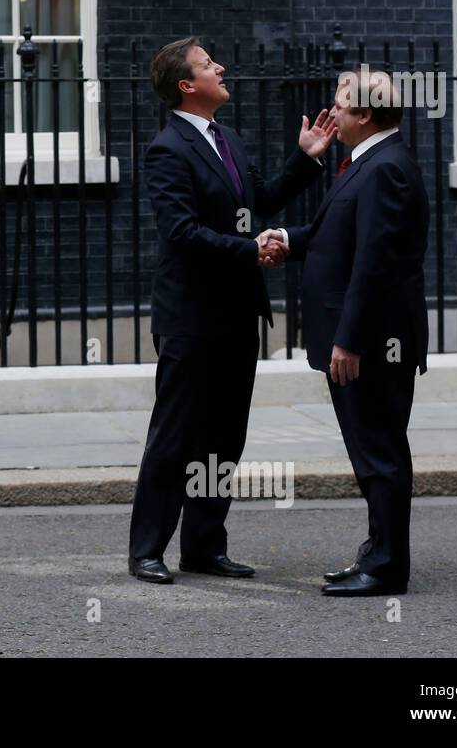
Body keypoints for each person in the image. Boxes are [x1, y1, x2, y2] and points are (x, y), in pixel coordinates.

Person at [129, 36, 336, 584]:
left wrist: (305, 158)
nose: (220, 67)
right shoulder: (167, 150)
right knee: (175, 434)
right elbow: (182, 233)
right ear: (186, 85)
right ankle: (147, 547)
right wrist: (253, 250)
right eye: (207, 64)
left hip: (237, 314)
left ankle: (203, 546)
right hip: (191, 318)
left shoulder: (227, 138)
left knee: (224, 437)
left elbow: (259, 201)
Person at [272, 68, 429, 596]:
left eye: (339, 104)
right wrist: (287, 240)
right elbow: (333, 235)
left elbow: (374, 263)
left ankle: (385, 568)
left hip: (373, 343)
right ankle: (377, 551)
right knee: (372, 450)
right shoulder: (368, 162)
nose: (331, 112)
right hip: (366, 338)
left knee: (379, 452)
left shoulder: (385, 169)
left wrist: (350, 339)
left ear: (364, 114)